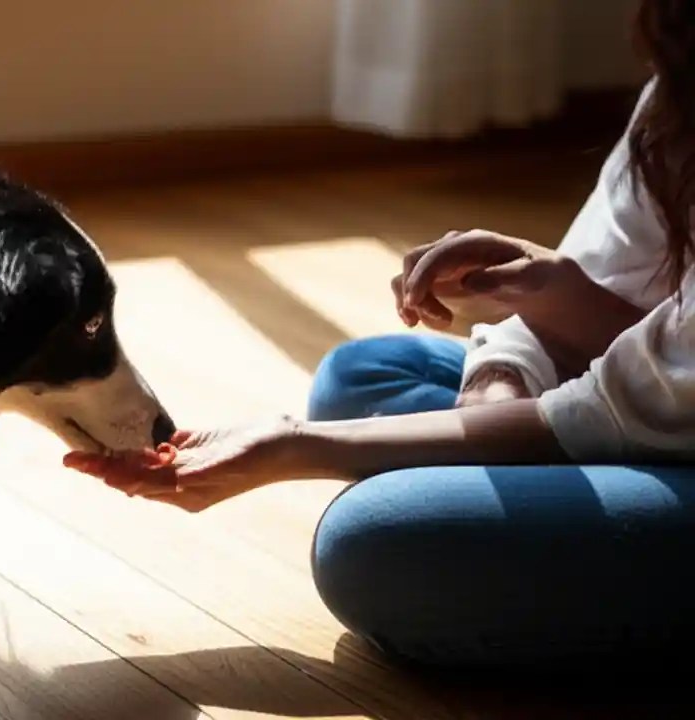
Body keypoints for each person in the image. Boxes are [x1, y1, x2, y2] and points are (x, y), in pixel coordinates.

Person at [62, 0, 695, 673]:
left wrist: (290, 446)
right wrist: (509, 353)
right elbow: (649, 335)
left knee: (376, 544)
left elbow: (608, 402)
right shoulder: (678, 89)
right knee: (362, 375)